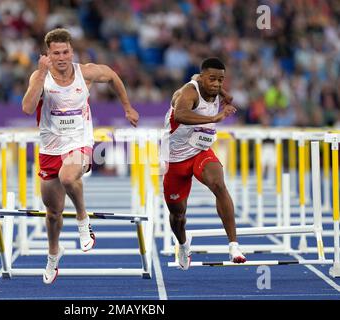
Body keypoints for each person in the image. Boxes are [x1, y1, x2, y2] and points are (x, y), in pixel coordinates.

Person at [22, 28, 139, 284]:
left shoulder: (85, 72)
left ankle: (83, 221)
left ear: (71, 52)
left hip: (81, 141)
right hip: (50, 147)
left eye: (65, 52)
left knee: (68, 176)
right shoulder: (40, 76)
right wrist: (41, 73)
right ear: (48, 55)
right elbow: (28, 108)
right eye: (56, 53)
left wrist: (127, 106)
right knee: (52, 213)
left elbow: (112, 76)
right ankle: (53, 255)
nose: (61, 57)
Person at [161, 57, 246, 270]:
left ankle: (234, 245)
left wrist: (225, 94)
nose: (217, 84)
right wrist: (215, 118)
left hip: (200, 152)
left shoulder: (216, 89)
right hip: (175, 160)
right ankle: (182, 244)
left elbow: (221, 90)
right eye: (212, 79)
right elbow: (180, 114)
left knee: (218, 184)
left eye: (221, 80)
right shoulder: (188, 93)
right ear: (201, 77)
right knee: (177, 215)